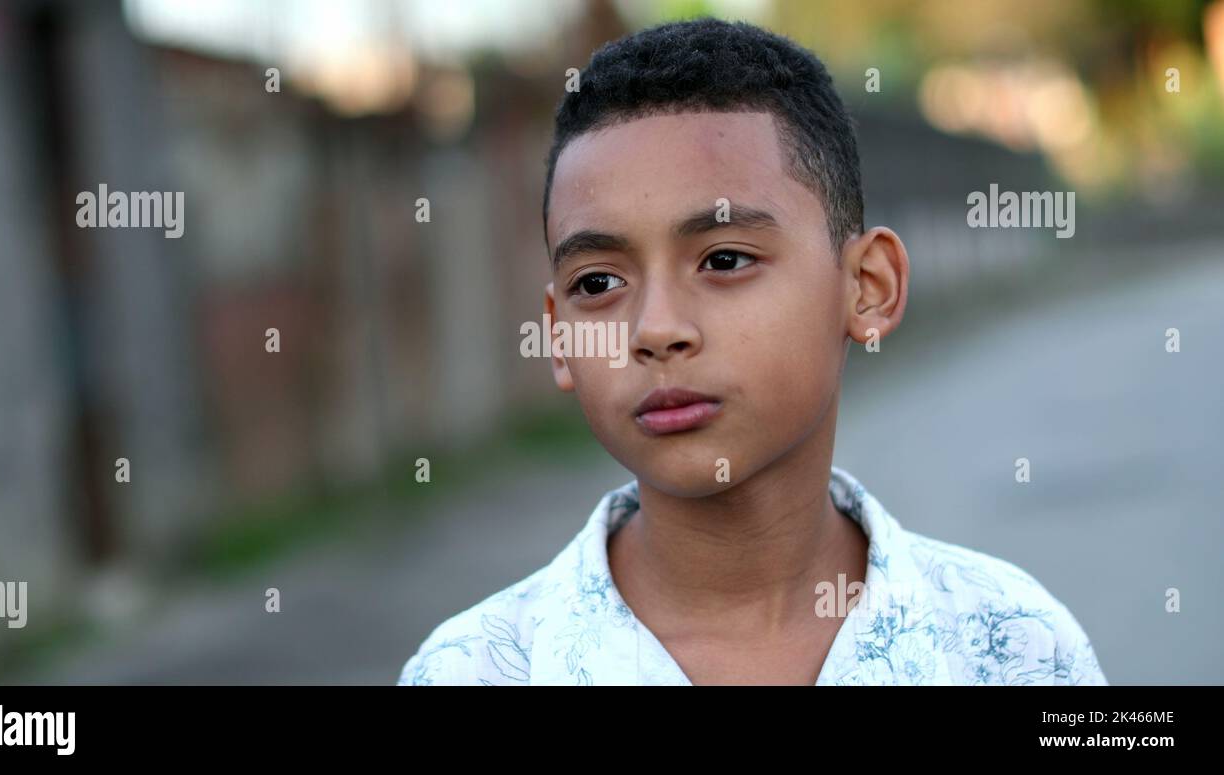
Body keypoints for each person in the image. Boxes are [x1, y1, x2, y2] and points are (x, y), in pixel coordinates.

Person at [397, 16, 1107, 685]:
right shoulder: (476, 669)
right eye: (599, 281)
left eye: (726, 260)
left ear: (867, 287)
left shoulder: (1013, 648)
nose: (655, 328)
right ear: (560, 336)